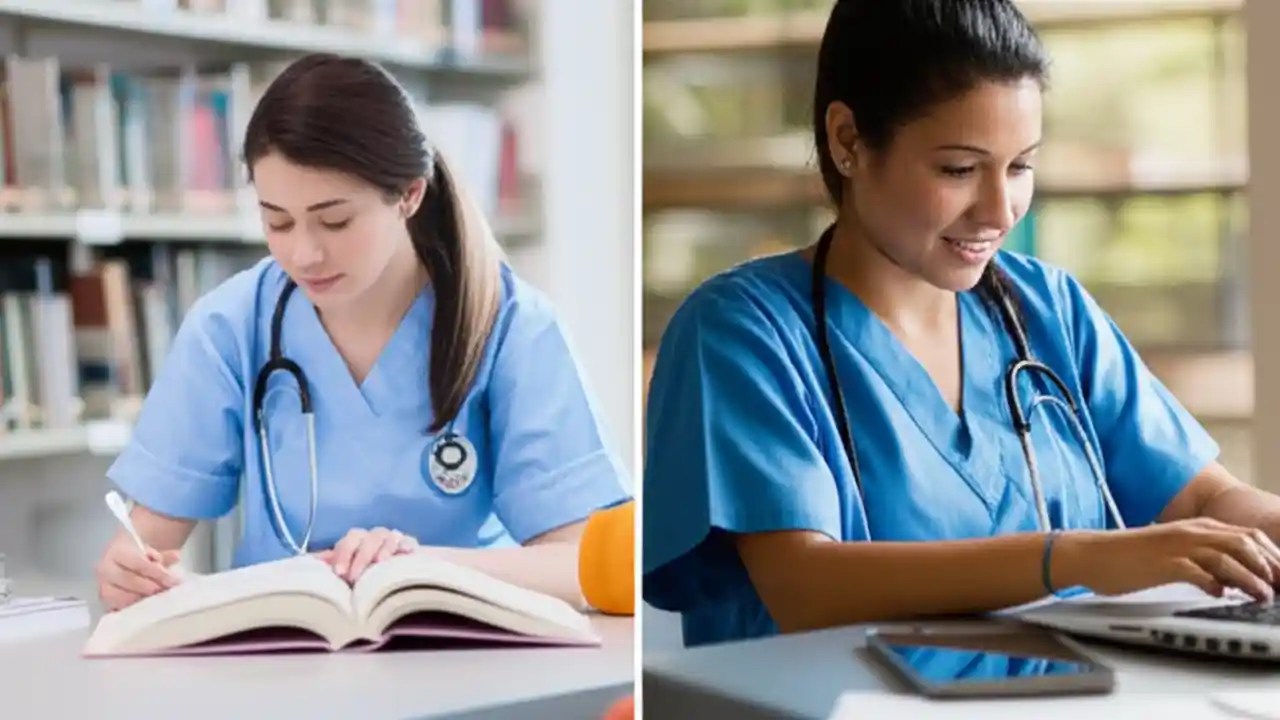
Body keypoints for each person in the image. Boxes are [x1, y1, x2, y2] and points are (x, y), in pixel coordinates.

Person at [642, 0, 1280, 649]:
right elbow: (803, 585)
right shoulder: (741, 332)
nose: (1000, 209)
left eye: (1021, 166)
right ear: (848, 141)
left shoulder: (1049, 309)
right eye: (959, 170)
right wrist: (1080, 557)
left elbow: (1204, 503)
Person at [94, 53, 630, 611]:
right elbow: (143, 548)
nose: (303, 252)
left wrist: (420, 568)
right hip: (277, 656)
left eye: (335, 220)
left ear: (409, 196)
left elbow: (589, 567)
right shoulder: (228, 329)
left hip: (465, 652)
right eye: (277, 220)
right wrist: (128, 573)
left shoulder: (511, 326)